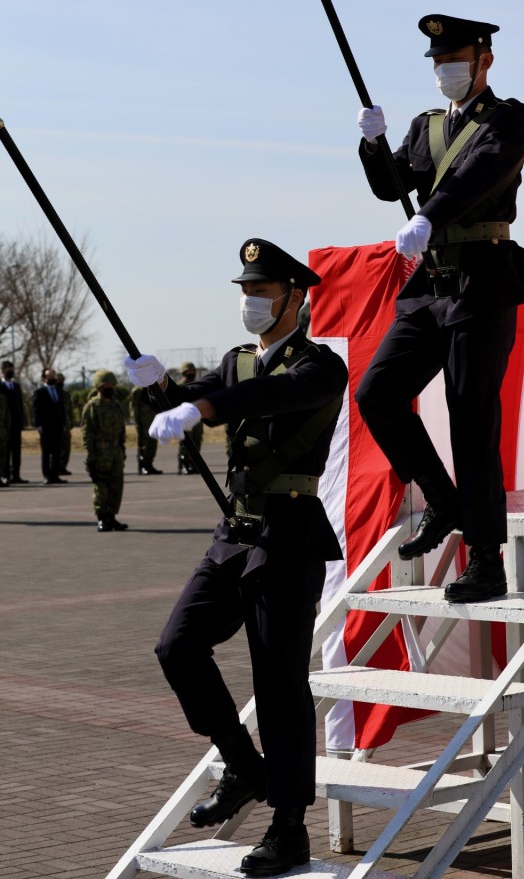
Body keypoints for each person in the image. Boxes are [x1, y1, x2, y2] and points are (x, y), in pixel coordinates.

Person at [125, 238, 347, 877]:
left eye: (261, 291)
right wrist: (160, 387)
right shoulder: (235, 361)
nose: (250, 301)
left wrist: (203, 406)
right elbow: (187, 402)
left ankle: (289, 828)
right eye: (245, 291)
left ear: (294, 297)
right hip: (237, 531)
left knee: (279, 684)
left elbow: (264, 401)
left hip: (289, 535)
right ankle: (245, 768)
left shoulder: (321, 365)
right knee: (178, 646)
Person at [355, 13, 524, 604]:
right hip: (431, 284)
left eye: (455, 61)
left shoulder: (509, 117)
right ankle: (443, 502)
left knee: (471, 417)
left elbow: (477, 175)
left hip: (482, 276)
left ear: (483, 61)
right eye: (438, 64)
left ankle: (485, 559)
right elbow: (393, 184)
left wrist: (429, 215)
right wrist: (373, 146)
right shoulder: (425, 126)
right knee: (377, 393)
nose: (445, 72)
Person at [81, 369, 128, 532]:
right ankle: (102, 518)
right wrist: (90, 456)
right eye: (106, 385)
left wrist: (122, 449)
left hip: (115, 452)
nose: (109, 388)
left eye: (111, 385)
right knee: (101, 486)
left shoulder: (117, 405)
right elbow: (87, 433)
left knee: (116, 486)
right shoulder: (92, 407)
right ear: (99, 387)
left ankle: (112, 516)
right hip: (100, 453)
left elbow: (122, 429)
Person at [32, 367, 66, 485]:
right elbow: (36, 410)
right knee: (46, 452)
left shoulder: (59, 391)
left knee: (57, 452)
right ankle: (47, 476)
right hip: (45, 427)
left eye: (53, 376)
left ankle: (55, 475)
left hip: (57, 426)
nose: (51, 378)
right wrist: (38, 425)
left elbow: (62, 409)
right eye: (49, 376)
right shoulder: (40, 392)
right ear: (44, 378)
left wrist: (64, 424)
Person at [0, 360, 27, 484]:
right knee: (5, 451)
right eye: (8, 370)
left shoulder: (16, 386)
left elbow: (20, 405)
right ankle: (5, 475)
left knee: (16, 451)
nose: (11, 372)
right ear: (3, 371)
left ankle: (16, 474)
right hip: (5, 424)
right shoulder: (0, 387)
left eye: (12, 369)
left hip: (16, 424)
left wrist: (22, 421)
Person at [176, 361, 204, 474]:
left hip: (197, 418)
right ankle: (184, 464)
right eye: (188, 371)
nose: (191, 373)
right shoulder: (179, 386)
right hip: (185, 419)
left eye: (192, 371)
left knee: (197, 440)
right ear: (184, 372)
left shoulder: (198, 384)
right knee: (186, 443)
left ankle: (194, 464)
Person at [129, 384, 162, 475]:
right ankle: (143, 466)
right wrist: (137, 423)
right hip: (143, 423)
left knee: (153, 444)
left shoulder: (155, 389)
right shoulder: (138, 390)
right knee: (144, 444)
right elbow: (134, 408)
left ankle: (150, 464)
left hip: (154, 421)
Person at [55, 371, 73, 476]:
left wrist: (70, 422)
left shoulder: (66, 394)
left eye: (62, 380)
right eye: (59, 380)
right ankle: (57, 467)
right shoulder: (54, 394)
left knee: (67, 447)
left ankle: (63, 467)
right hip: (58, 425)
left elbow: (69, 409)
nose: (61, 382)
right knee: (58, 448)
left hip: (66, 424)